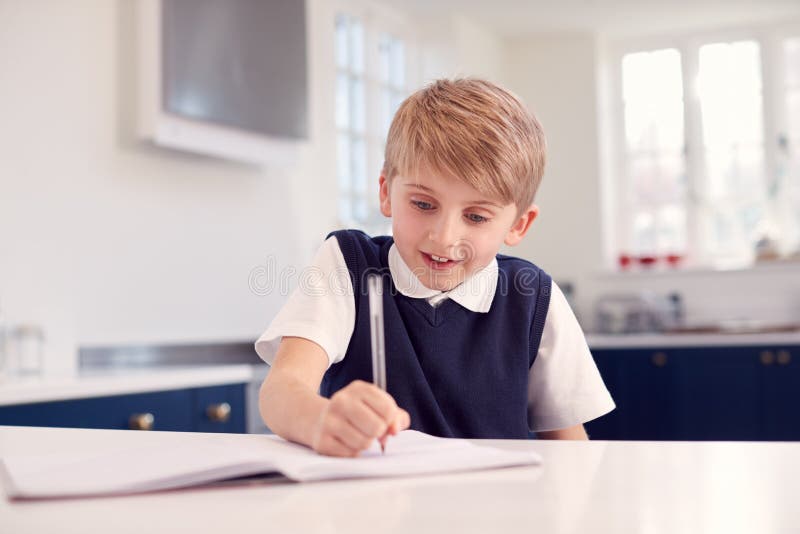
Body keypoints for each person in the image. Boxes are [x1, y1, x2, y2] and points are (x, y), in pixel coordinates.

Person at [256, 78, 614, 457]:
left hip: (498, 512)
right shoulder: (347, 264)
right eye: (424, 205)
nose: (444, 238)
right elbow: (281, 391)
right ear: (385, 192)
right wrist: (319, 420)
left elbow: (570, 452)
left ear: (518, 225)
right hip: (371, 509)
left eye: (476, 216)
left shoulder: (532, 297)